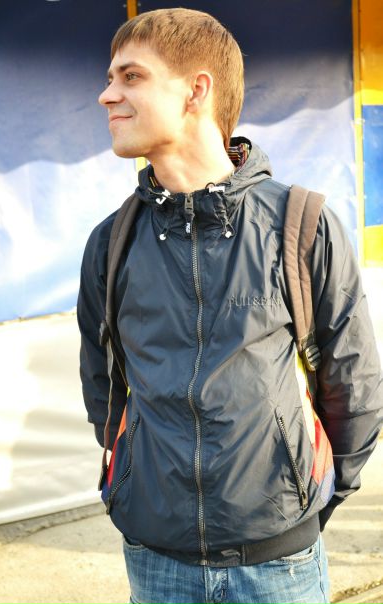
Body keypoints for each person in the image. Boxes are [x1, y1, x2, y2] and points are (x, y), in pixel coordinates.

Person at [77, 8, 383, 604]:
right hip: (156, 563)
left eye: (131, 77)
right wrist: (132, 483)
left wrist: (305, 507)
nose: (106, 95)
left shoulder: (302, 224)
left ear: (196, 91)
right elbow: (103, 388)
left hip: (279, 566)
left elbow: (355, 388)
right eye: (111, 78)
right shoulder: (111, 243)